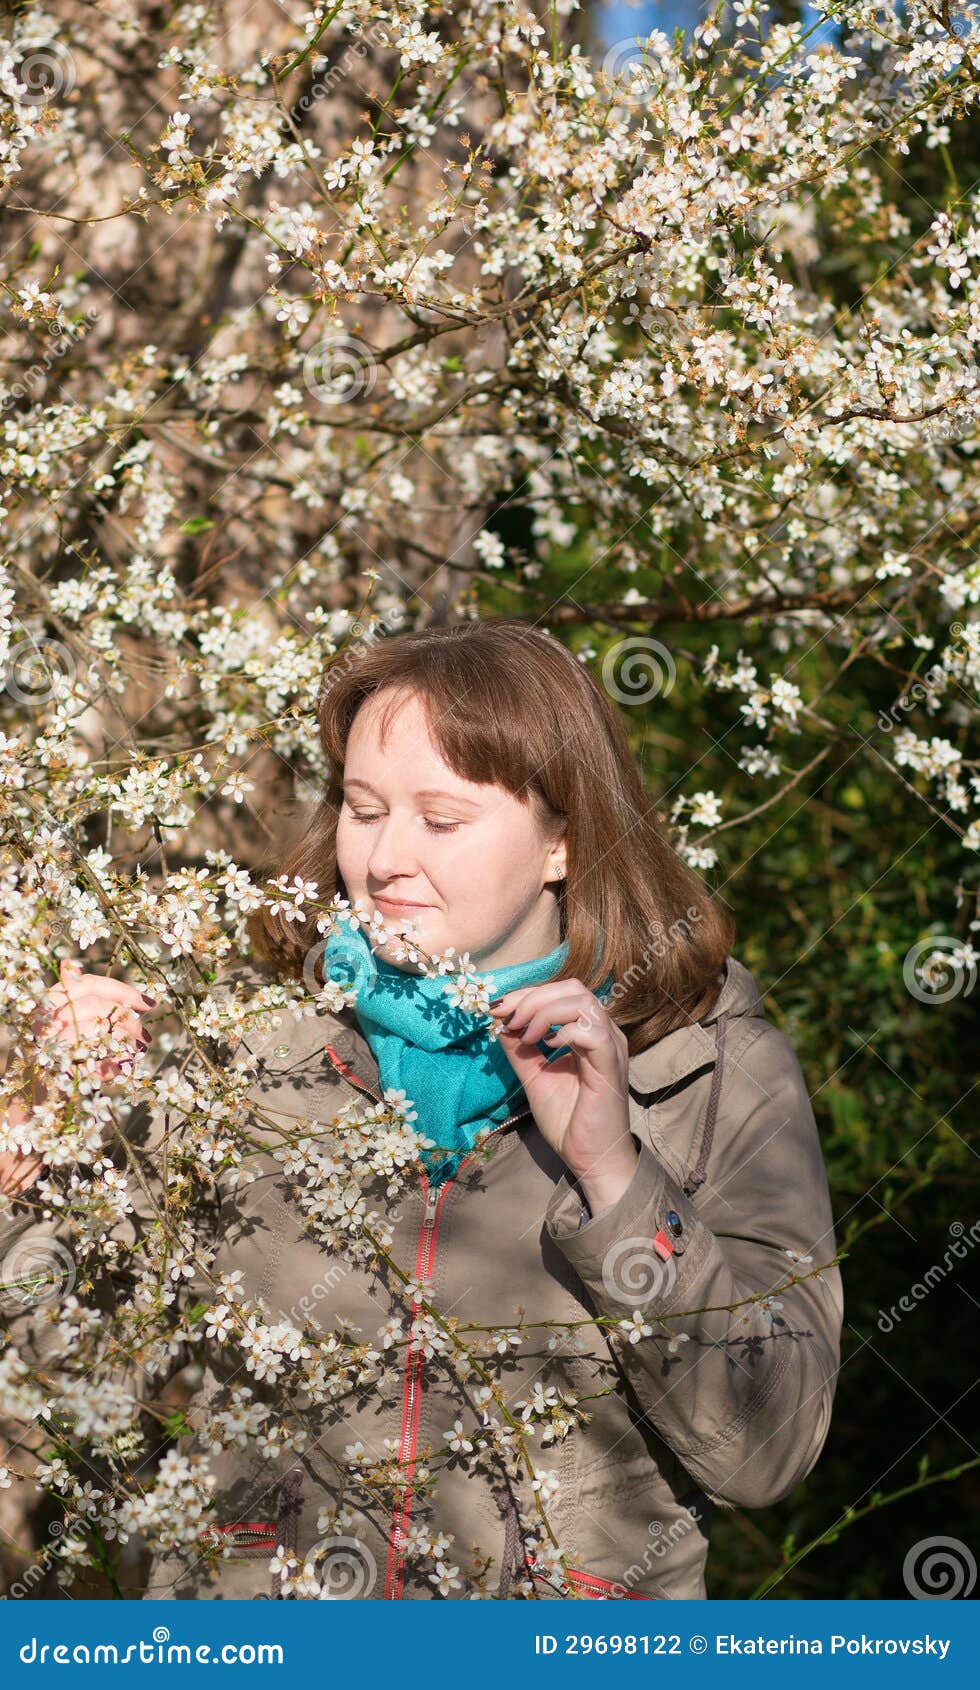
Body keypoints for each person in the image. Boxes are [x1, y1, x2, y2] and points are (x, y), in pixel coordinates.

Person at [0, 617, 843, 1601]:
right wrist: (41, 1128)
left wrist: (615, 1178)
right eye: (363, 810)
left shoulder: (704, 1068)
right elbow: (65, 1372)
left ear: (563, 840)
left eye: (440, 820)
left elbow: (765, 1447)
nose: (387, 857)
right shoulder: (250, 1057)